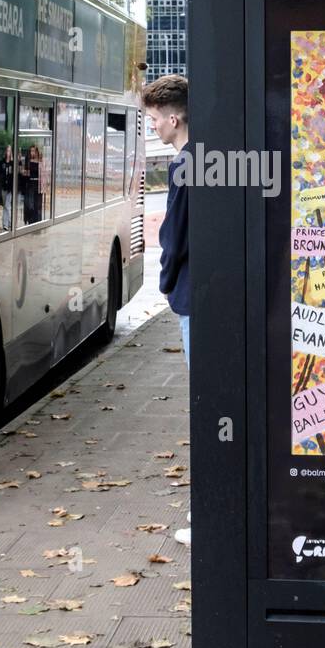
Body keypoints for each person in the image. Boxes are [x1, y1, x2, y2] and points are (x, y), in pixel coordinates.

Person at [143, 74, 191, 546]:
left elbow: (174, 237)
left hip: (194, 296)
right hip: (205, 292)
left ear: (173, 118)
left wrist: (166, 282)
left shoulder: (183, 165)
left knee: (204, 404)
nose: (153, 127)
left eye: (154, 120)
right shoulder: (212, 159)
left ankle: (206, 514)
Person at [0, 145, 14, 231]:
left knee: (7, 205)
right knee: (6, 206)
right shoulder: (2, 162)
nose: (8, 153)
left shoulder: (12, 163)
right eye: (7, 151)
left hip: (10, 188)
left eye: (9, 151)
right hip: (4, 187)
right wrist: (0, 179)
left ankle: (6, 224)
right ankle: (9, 223)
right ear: (5, 152)